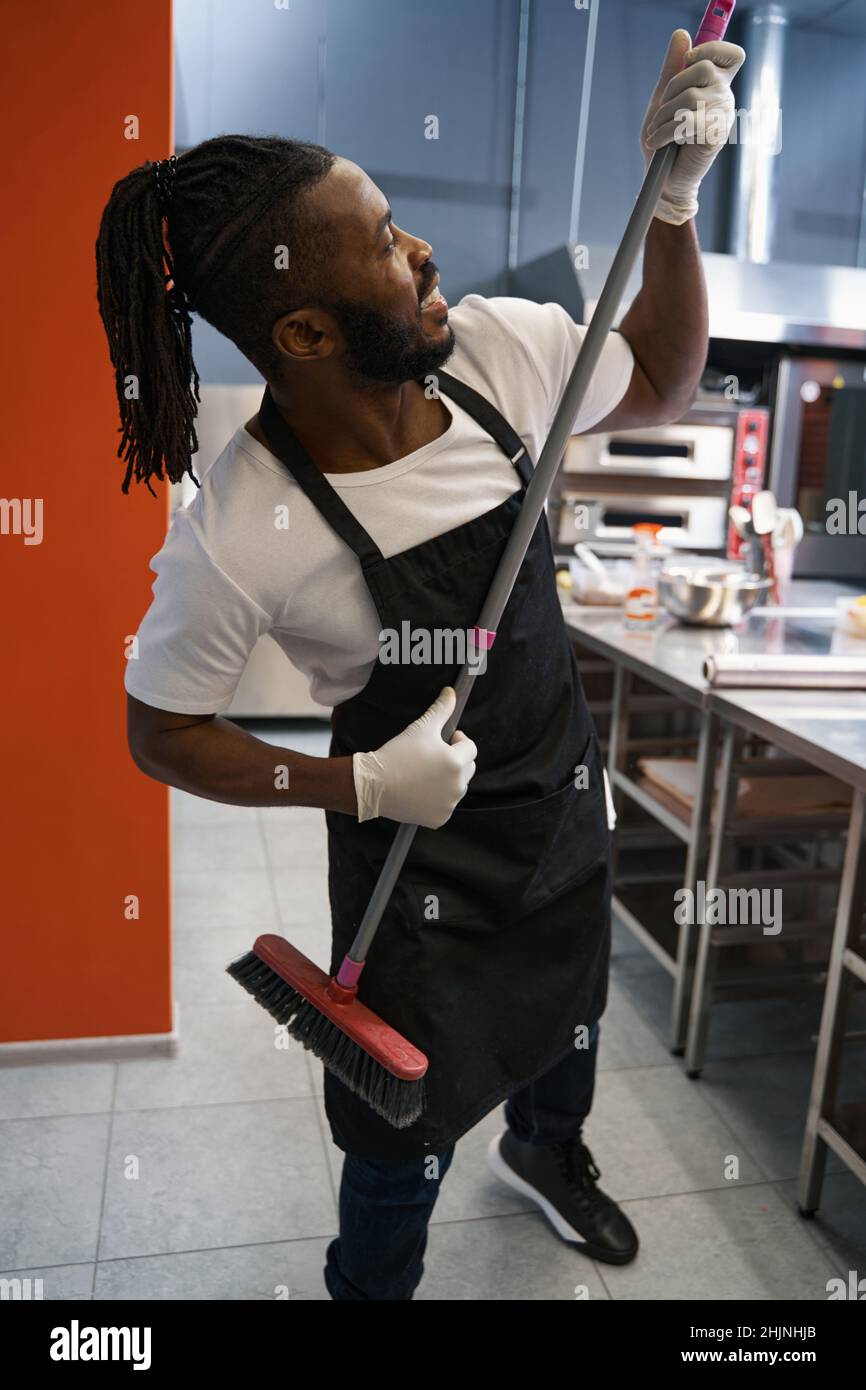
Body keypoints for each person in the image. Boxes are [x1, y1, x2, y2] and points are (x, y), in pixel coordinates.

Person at [96, 28, 744, 1300]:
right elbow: (160, 732)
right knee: (397, 1128)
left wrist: (670, 209)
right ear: (303, 328)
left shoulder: (497, 354)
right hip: (414, 868)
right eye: (388, 245)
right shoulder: (242, 529)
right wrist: (353, 784)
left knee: (569, 1012)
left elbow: (661, 382)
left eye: (397, 220)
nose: (425, 250)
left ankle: (547, 1152)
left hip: (556, 797)